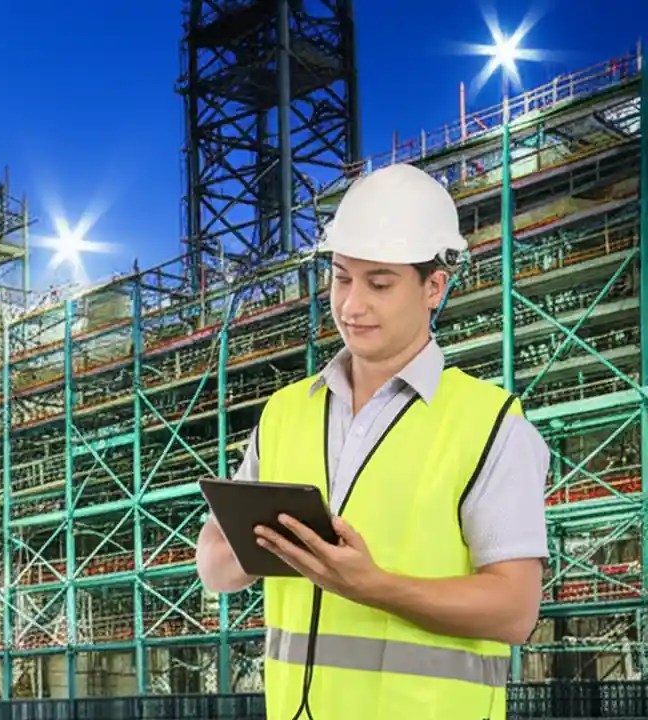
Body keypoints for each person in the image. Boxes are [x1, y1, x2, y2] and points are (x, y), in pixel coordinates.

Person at [195, 162, 548, 720]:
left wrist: (375, 586)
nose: (351, 305)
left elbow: (514, 610)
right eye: (341, 277)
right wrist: (249, 553)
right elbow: (212, 566)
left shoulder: (489, 423)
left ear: (435, 286)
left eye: (379, 283)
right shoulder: (286, 413)